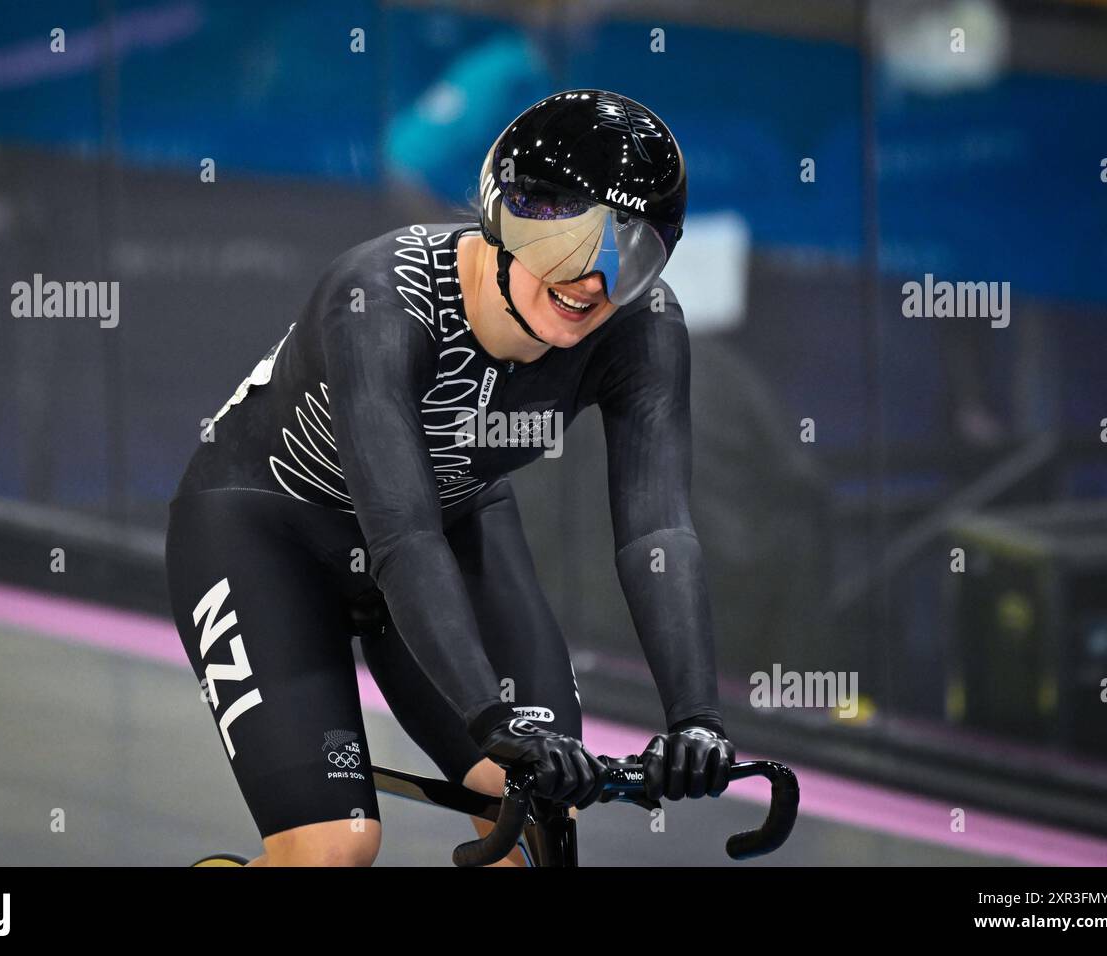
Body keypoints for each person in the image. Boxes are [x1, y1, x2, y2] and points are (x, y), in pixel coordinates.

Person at [166, 89, 733, 866]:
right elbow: (400, 535)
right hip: (266, 533)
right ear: (500, 219)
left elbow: (657, 528)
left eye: (627, 255)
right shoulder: (381, 295)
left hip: (450, 521)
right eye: (564, 243)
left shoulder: (642, 329)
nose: (591, 283)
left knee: (534, 816)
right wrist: (489, 719)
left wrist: (696, 716)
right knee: (337, 848)